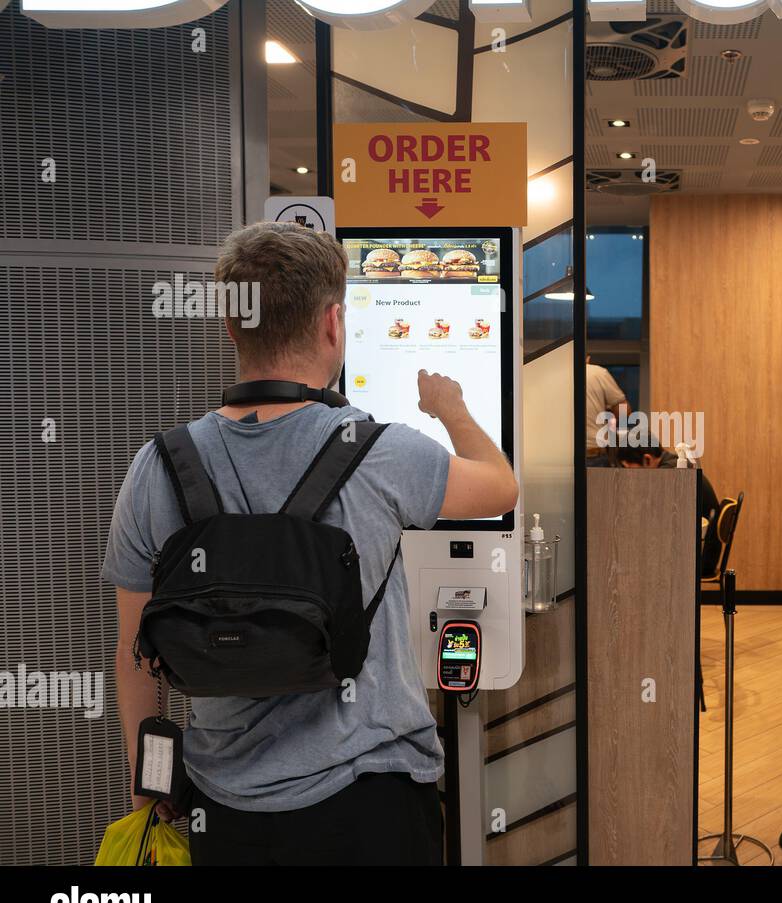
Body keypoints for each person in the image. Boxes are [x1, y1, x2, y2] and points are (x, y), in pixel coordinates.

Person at [102, 222, 518, 865]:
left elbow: (137, 660)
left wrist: (149, 787)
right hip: (370, 803)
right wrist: (450, 406)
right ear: (332, 324)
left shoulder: (157, 467)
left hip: (224, 805)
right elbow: (500, 487)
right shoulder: (384, 454)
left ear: (230, 327)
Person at [614, 439, 723, 575]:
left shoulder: (669, 474)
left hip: (699, 557)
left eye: (630, 469)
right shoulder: (673, 464)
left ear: (647, 460)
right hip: (703, 551)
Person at [585, 355, 628, 467]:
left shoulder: (552, 377)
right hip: (592, 453)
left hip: (558, 456)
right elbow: (623, 409)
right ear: (587, 359)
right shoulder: (598, 373)